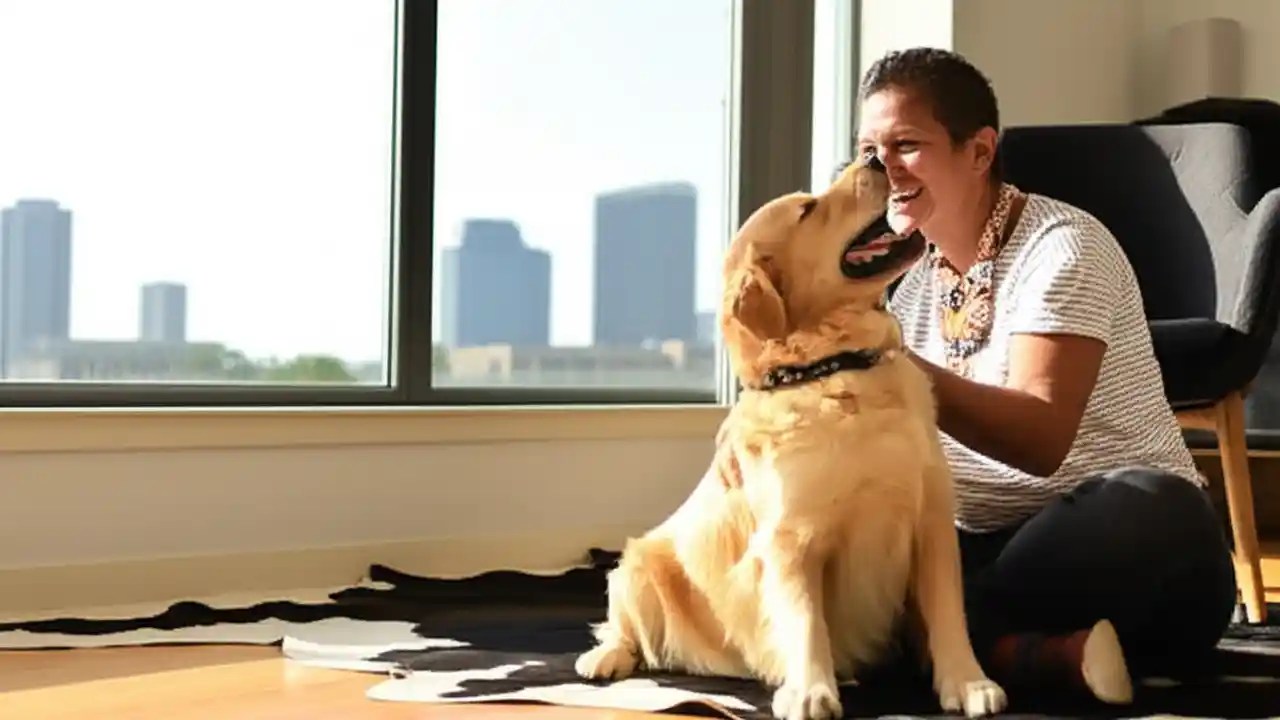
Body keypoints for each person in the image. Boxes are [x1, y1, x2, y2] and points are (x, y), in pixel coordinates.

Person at [719, 47, 1238, 705]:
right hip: (976, 545)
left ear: (979, 152)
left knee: (1156, 507)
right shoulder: (901, 278)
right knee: (875, 552)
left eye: (907, 145)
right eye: (869, 151)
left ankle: (935, 643)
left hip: (1113, 546)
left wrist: (882, 362)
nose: (884, 170)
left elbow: (1039, 440)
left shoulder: (1064, 248)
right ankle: (1025, 655)